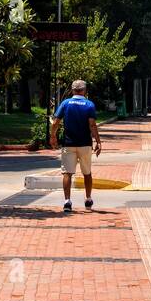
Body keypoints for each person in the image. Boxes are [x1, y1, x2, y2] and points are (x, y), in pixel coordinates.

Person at [50, 80, 101, 211]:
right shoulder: (89, 105)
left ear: (72, 90)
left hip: (69, 143)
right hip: (85, 144)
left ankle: (67, 201)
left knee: (67, 173)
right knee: (87, 173)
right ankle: (88, 199)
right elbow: (92, 124)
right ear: (84, 90)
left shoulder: (65, 103)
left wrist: (53, 136)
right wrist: (98, 141)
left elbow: (56, 122)